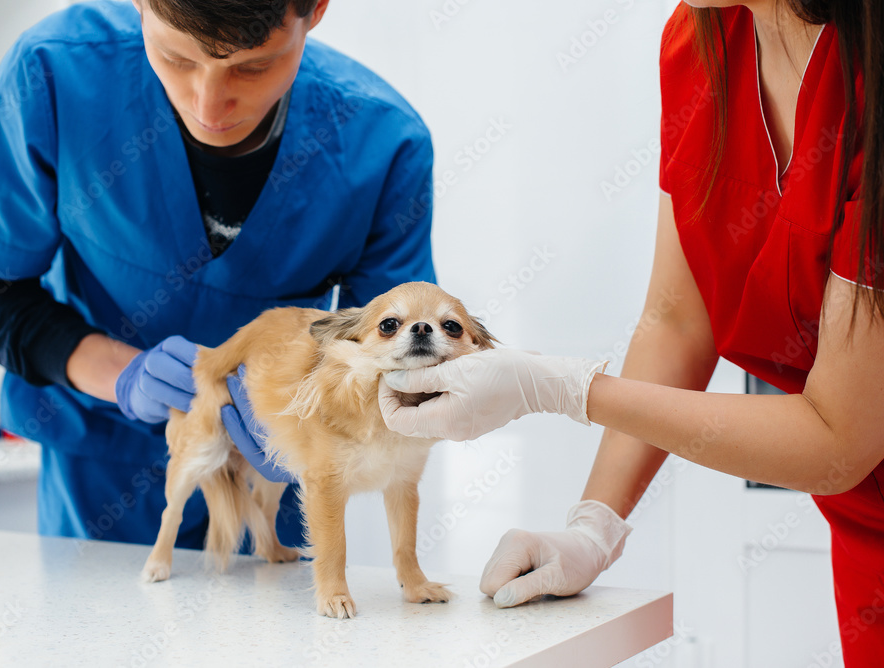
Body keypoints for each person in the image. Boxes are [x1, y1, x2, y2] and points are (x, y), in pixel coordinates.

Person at [377, 1, 884, 664]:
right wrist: (594, 526)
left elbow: (839, 438)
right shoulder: (702, 38)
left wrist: (559, 389)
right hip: (860, 529)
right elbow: (679, 318)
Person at [0, 0, 435, 551]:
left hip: (270, 475)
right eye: (176, 58)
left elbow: (395, 360)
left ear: (315, 10)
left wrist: (319, 418)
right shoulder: (56, 73)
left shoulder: (382, 143)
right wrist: (124, 375)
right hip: (100, 478)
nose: (208, 106)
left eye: (252, 67)